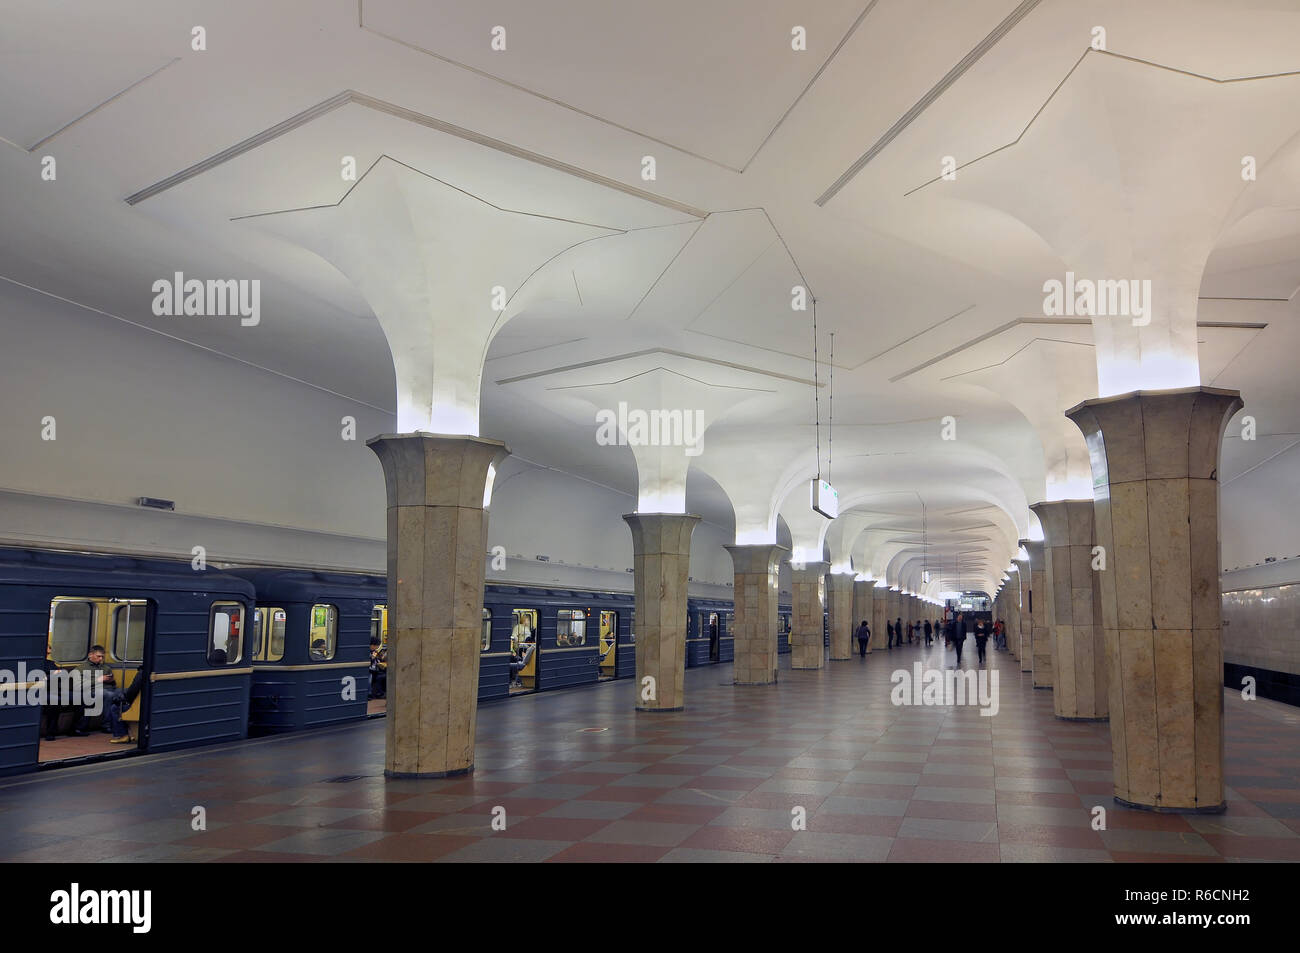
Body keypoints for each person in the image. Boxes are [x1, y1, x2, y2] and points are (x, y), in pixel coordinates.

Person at [76, 645, 130, 744]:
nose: (100, 659)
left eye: (102, 657)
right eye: (98, 656)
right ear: (90, 655)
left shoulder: (106, 668)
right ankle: (106, 725)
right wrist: (99, 679)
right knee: (108, 695)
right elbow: (79, 685)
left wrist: (111, 680)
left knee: (126, 691)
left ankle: (124, 724)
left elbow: (113, 684)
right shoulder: (80, 669)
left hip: (108, 688)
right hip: (91, 691)